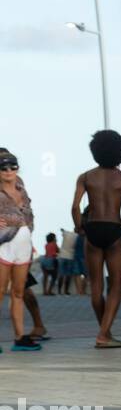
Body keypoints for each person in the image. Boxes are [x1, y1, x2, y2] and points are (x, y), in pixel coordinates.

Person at [69, 132, 121, 348]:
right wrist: (119, 226)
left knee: (95, 287)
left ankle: (104, 332)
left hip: (93, 228)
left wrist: (80, 227)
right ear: (120, 152)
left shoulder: (86, 177)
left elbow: (75, 207)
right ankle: (104, 334)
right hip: (113, 228)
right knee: (115, 285)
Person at [0, 150, 40, 352]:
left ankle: (19, 337)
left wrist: (29, 234)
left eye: (12, 166)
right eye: (3, 167)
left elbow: (28, 212)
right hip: (3, 245)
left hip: (23, 245)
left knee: (18, 292)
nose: (8, 170)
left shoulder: (20, 186)